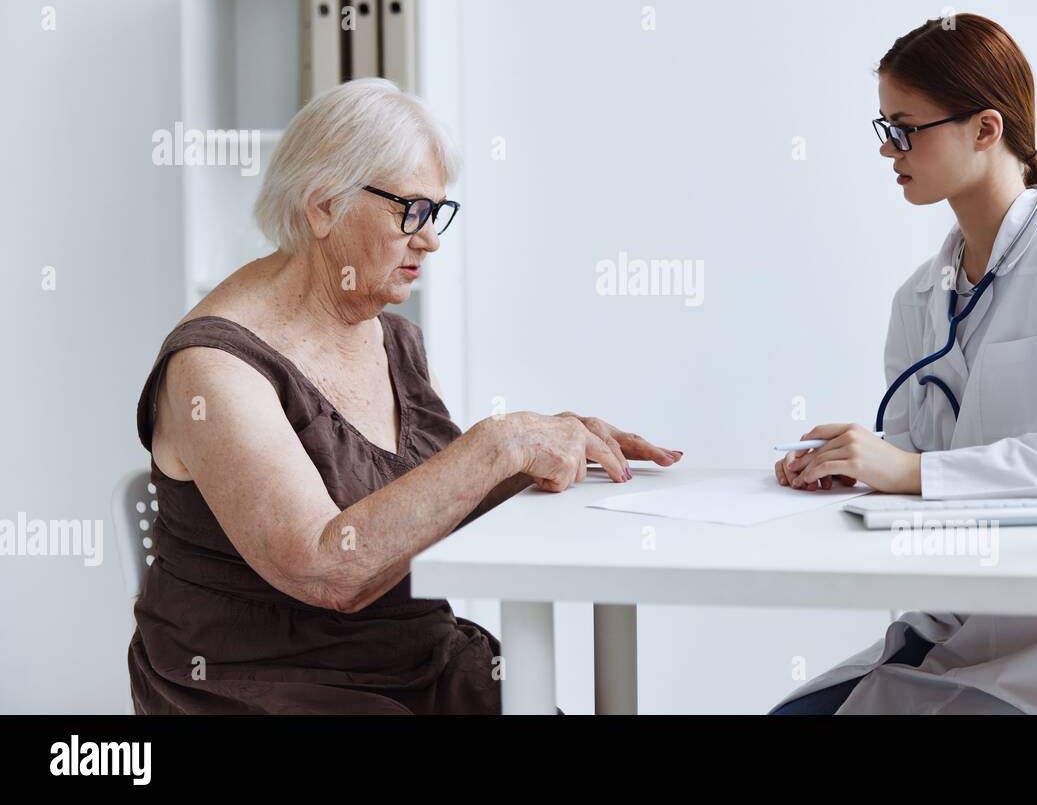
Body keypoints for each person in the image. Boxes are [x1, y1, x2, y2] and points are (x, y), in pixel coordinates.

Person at [129, 78, 682, 713]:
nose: (431, 239)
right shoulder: (214, 366)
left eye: (437, 213)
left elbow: (422, 504)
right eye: (410, 211)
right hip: (266, 682)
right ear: (323, 207)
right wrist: (499, 443)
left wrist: (545, 444)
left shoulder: (391, 337)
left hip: (412, 659)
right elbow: (324, 569)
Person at [769, 14, 1037, 714]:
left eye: (905, 127)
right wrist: (861, 465)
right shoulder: (920, 296)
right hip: (942, 632)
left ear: (985, 129)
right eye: (883, 129)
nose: (890, 149)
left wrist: (911, 471)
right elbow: (922, 464)